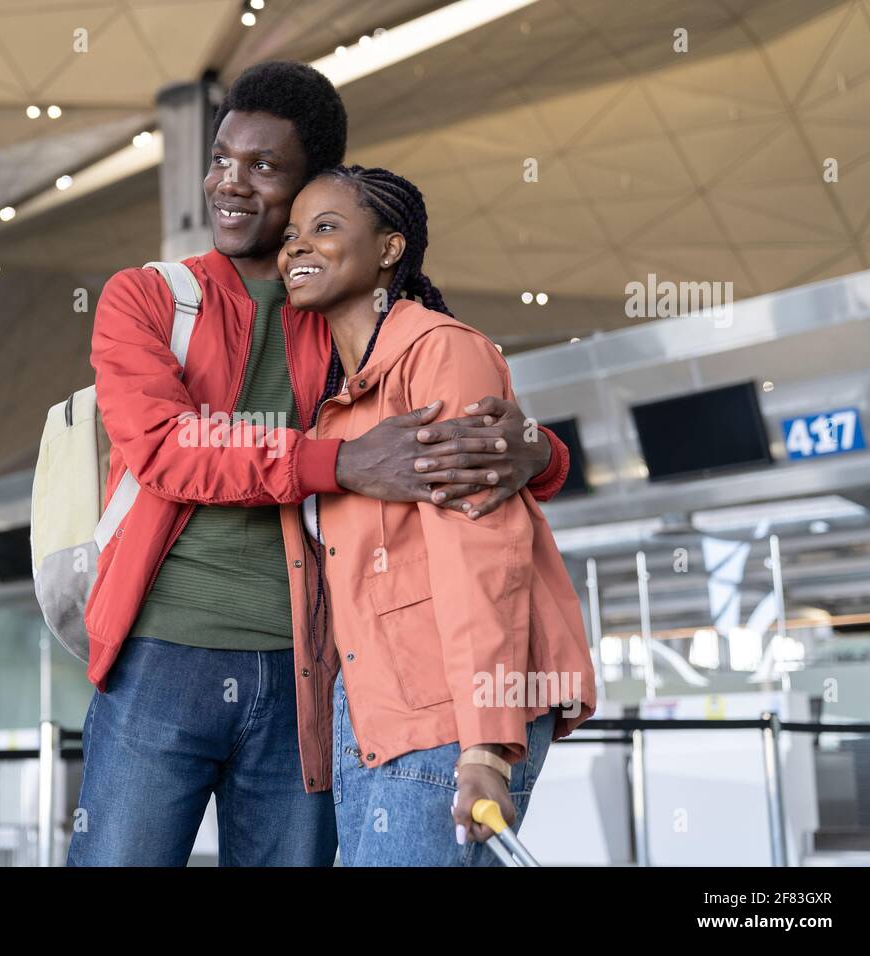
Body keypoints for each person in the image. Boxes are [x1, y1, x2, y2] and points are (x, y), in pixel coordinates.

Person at [66, 62, 572, 867]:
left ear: (310, 185)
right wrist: (340, 462)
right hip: (162, 655)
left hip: (313, 673)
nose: (231, 184)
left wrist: (541, 453)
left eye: (264, 167)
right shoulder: (147, 300)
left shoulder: (339, 315)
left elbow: (452, 433)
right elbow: (167, 447)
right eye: (222, 158)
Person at [276, 163, 596, 866]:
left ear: (390, 249)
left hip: (450, 712)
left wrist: (485, 744)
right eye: (292, 234)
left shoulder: (442, 353)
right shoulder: (340, 398)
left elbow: (479, 553)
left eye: (325, 228)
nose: (297, 247)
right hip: (374, 709)